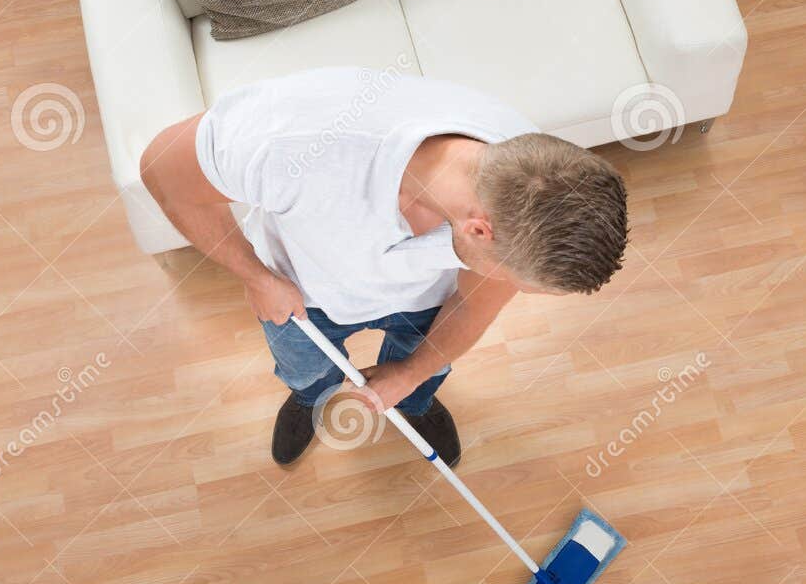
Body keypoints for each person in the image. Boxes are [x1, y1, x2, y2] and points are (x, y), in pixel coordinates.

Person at [140, 67, 628, 467]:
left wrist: (411, 375)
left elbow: (474, 305)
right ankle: (309, 397)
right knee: (305, 369)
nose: (511, 290)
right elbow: (163, 167)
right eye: (516, 282)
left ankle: (415, 403)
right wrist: (256, 277)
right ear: (479, 231)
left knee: (423, 371)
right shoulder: (293, 141)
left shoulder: (524, 202)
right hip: (303, 294)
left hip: (424, 302)